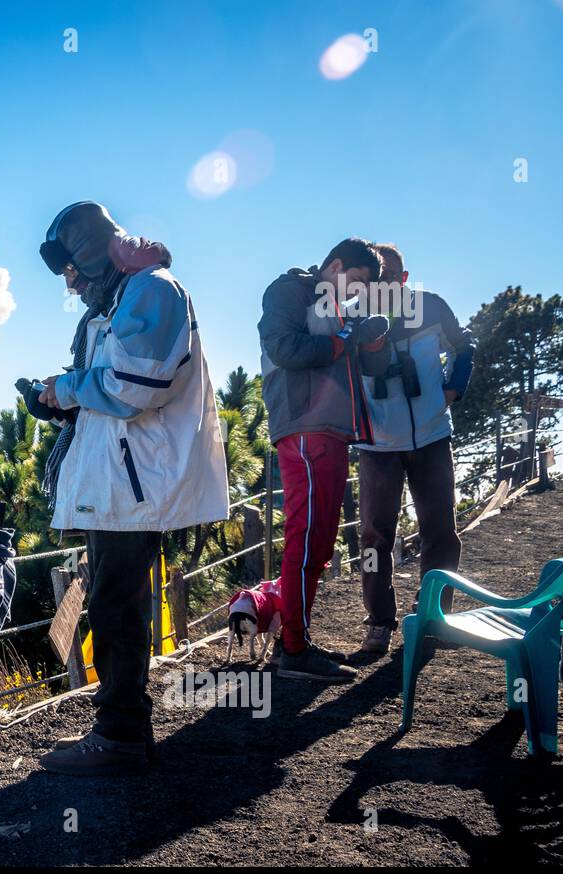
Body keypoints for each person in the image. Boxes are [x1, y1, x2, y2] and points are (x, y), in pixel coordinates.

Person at [28, 201, 229, 776]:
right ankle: (118, 729)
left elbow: (136, 385)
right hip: (121, 481)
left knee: (116, 606)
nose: (69, 282)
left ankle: (120, 738)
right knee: (114, 603)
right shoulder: (122, 297)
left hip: (135, 484)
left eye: (71, 268)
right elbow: (112, 396)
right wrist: (56, 405)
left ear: (90, 255)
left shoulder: (151, 291)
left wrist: (64, 389)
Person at [258, 238, 388, 682]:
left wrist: (369, 344)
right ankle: (294, 648)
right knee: (305, 535)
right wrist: (348, 338)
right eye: (356, 280)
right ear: (334, 265)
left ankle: (295, 638)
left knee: (319, 541)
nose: (358, 291)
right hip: (303, 427)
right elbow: (286, 350)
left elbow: (360, 365)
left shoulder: (338, 306)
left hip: (331, 430)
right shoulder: (290, 289)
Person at [354, 243, 475, 654]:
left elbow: (464, 345)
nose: (379, 286)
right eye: (373, 280)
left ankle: (435, 617)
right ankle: (379, 622)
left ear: (403, 280)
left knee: (440, 531)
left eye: (388, 278)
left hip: (432, 435)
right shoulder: (352, 315)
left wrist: (453, 389)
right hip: (376, 443)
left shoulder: (432, 306)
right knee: (373, 536)